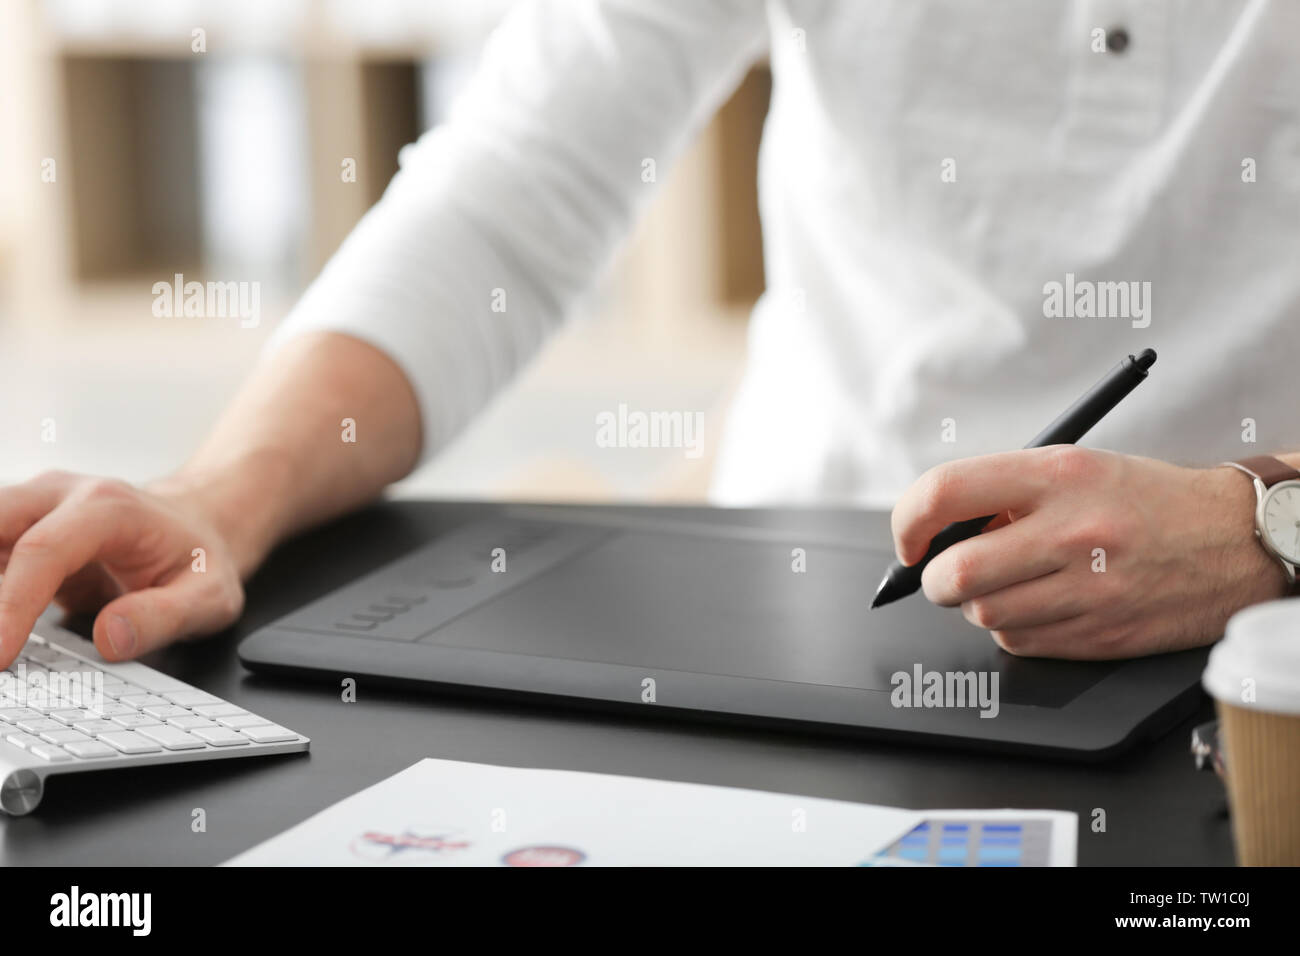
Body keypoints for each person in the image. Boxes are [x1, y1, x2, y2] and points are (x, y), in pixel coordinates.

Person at [1, 0, 1296, 670]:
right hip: (807, 589)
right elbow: (515, 188)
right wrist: (221, 499)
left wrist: (1270, 529)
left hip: (1265, 641)